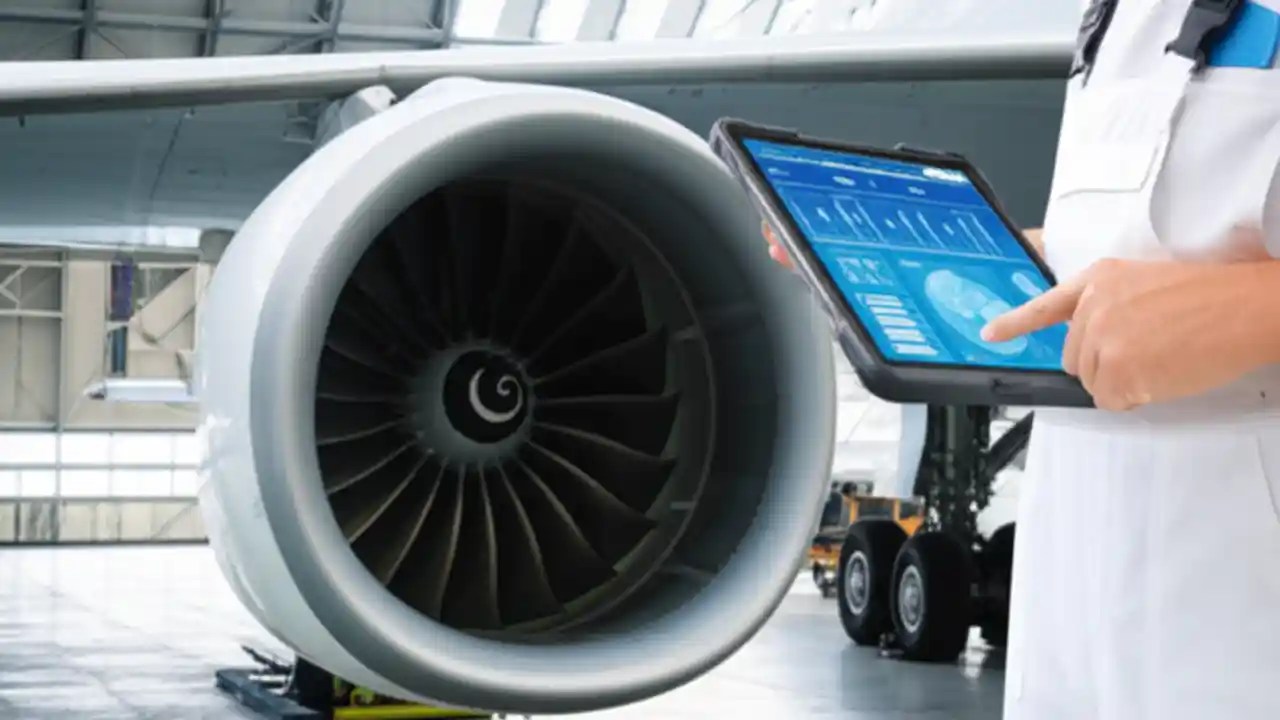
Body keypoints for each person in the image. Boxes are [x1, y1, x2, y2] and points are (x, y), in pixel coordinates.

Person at [765, 1, 1280, 717]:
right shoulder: (1120, 17)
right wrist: (918, 264)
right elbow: (1137, 239)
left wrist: (1258, 311)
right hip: (1070, 584)